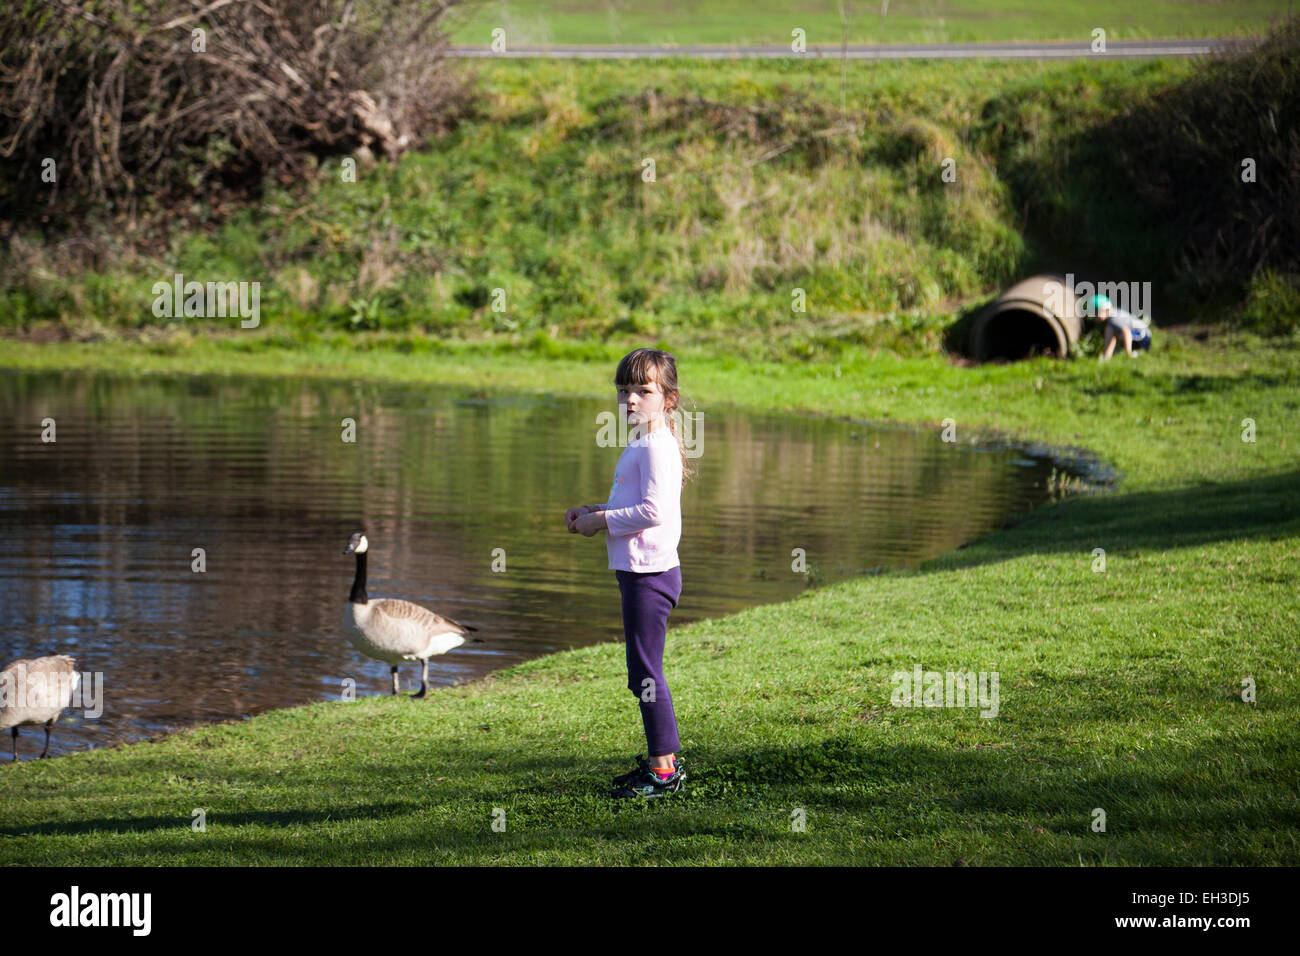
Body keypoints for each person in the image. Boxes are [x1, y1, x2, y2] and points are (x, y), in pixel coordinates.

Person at [565, 347, 692, 799]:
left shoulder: (656, 446)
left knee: (645, 673)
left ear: (669, 399)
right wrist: (596, 510)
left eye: (643, 391)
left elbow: (653, 512)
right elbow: (632, 506)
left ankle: (663, 773)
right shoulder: (642, 442)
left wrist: (599, 523)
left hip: (650, 575)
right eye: (624, 391)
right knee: (642, 670)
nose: (631, 400)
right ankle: (665, 761)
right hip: (639, 572)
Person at [1092, 294, 1151, 360]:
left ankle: (1130, 353)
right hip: (1141, 337)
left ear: (1104, 310)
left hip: (1143, 338)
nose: (1093, 317)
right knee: (1109, 329)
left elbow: (1127, 333)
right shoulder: (1113, 317)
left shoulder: (1114, 319)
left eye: (1095, 313)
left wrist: (1128, 354)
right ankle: (1106, 357)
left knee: (1113, 331)